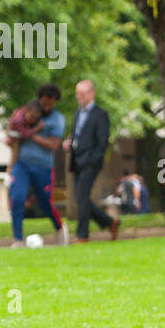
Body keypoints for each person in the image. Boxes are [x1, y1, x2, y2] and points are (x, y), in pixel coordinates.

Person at [8, 84, 68, 247]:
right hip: (22, 164)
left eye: (51, 103)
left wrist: (31, 134)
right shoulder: (28, 113)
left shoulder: (57, 119)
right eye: (45, 103)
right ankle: (18, 238)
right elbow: (13, 130)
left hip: (43, 166)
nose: (47, 106)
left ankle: (59, 228)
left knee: (45, 203)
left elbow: (54, 145)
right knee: (17, 197)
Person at [64, 79, 119, 243]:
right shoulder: (77, 114)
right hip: (76, 160)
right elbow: (78, 137)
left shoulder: (100, 115)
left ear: (91, 93)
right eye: (77, 94)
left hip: (90, 163)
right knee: (81, 198)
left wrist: (92, 159)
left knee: (81, 197)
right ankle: (110, 222)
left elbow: (102, 142)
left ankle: (82, 235)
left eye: (81, 93)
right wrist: (71, 143)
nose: (78, 97)